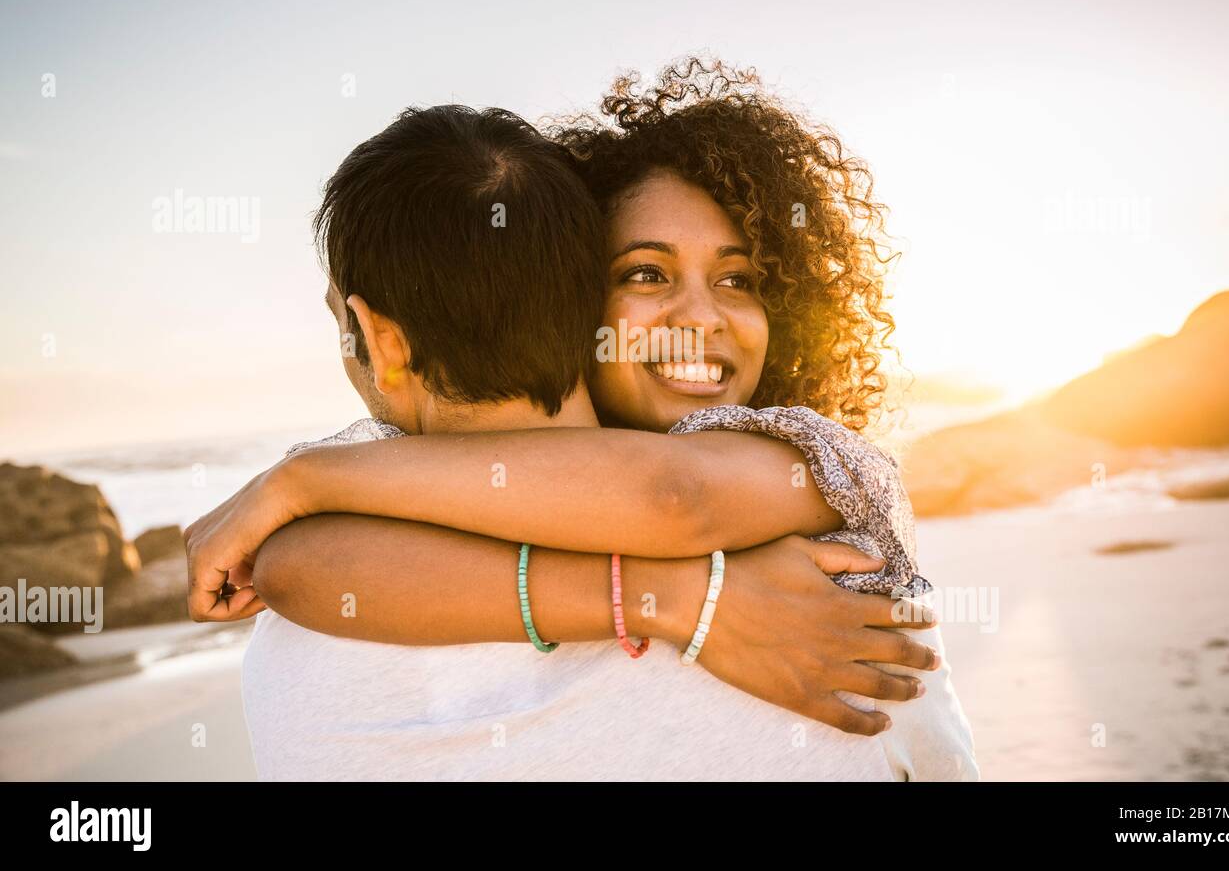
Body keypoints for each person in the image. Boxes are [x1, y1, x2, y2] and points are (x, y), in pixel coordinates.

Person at [187, 64, 976, 779]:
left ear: (380, 339)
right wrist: (670, 596)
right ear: (575, 300)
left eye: (739, 278)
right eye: (644, 271)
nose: (699, 316)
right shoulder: (373, 500)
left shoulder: (815, 477)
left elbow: (676, 498)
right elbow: (296, 565)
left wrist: (301, 479)